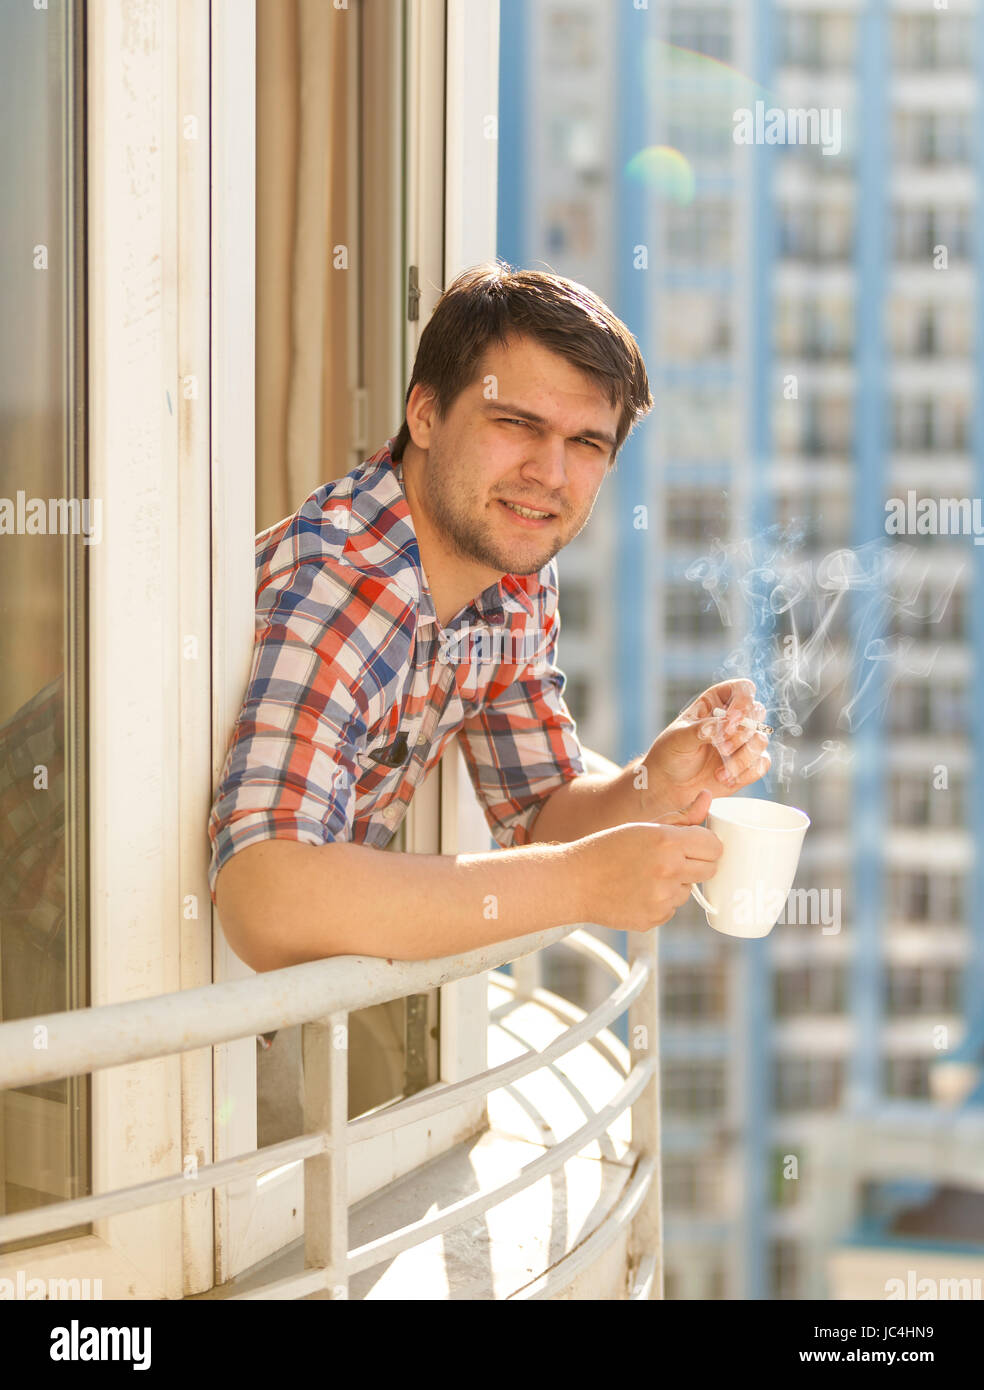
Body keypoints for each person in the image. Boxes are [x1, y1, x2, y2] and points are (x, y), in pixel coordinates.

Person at [208, 261, 771, 970]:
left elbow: (540, 811)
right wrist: (578, 884)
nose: (551, 474)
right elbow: (269, 897)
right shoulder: (347, 587)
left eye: (586, 443)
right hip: (72, 958)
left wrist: (654, 785)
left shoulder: (514, 573)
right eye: (516, 423)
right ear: (426, 413)